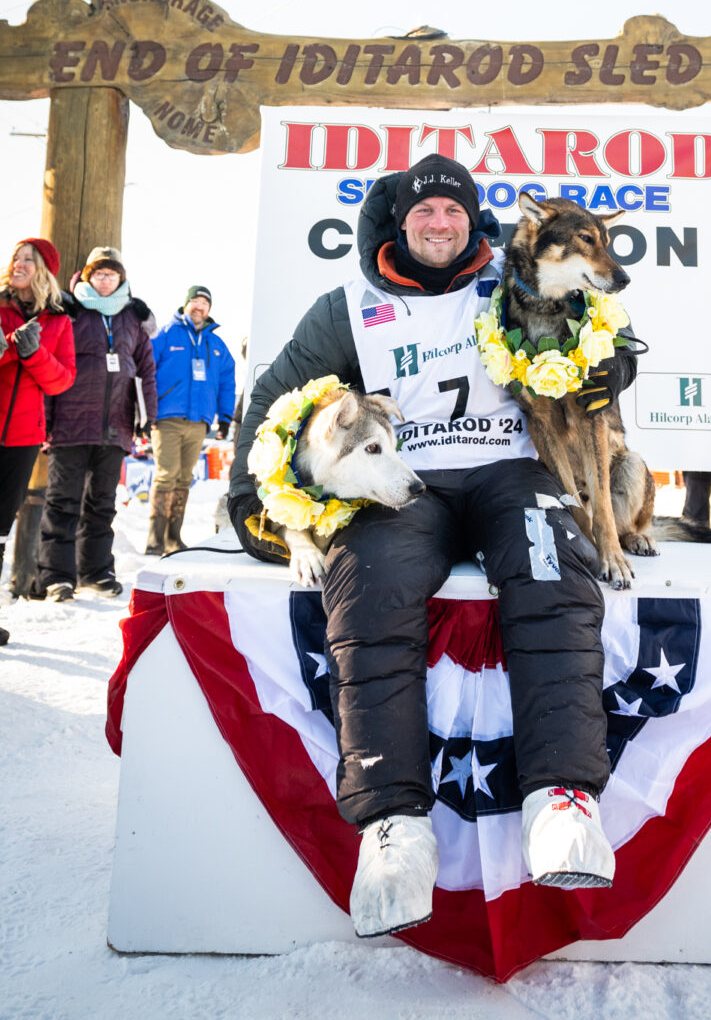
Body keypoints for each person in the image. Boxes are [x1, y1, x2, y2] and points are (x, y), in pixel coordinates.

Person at [228, 156, 636, 938]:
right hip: (406, 482)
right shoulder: (351, 304)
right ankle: (393, 826)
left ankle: (562, 798)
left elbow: (602, 334)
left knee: (553, 565)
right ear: (400, 221)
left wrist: (612, 369)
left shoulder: (512, 280)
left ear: (473, 220)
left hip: (511, 470)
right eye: (424, 212)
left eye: (454, 210)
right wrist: (252, 500)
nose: (439, 223)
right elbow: (276, 396)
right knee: (367, 579)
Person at [32, 248, 157, 602]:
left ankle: (95, 572)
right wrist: (45, 420)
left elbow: (146, 370)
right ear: (87, 277)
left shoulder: (132, 317)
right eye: (99, 274)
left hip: (116, 426)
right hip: (70, 424)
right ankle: (56, 577)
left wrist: (147, 418)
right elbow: (50, 364)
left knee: (102, 505)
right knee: (62, 503)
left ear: (121, 279)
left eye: (111, 274)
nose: (105, 280)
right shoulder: (69, 310)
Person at [0, 239, 76, 642]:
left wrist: (32, 354)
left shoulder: (58, 322)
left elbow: (62, 380)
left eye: (28, 259)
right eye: (15, 257)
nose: (18, 264)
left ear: (43, 270)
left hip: (23, 436)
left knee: (0, 526)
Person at [148, 285, 235, 555]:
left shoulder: (216, 345)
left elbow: (227, 382)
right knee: (166, 475)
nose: (199, 307)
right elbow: (146, 371)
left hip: (199, 422)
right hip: (167, 417)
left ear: (209, 310)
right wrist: (147, 411)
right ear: (186, 304)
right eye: (195, 301)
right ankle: (155, 539)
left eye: (204, 303)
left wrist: (225, 417)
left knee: (184, 478)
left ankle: (173, 538)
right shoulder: (165, 334)